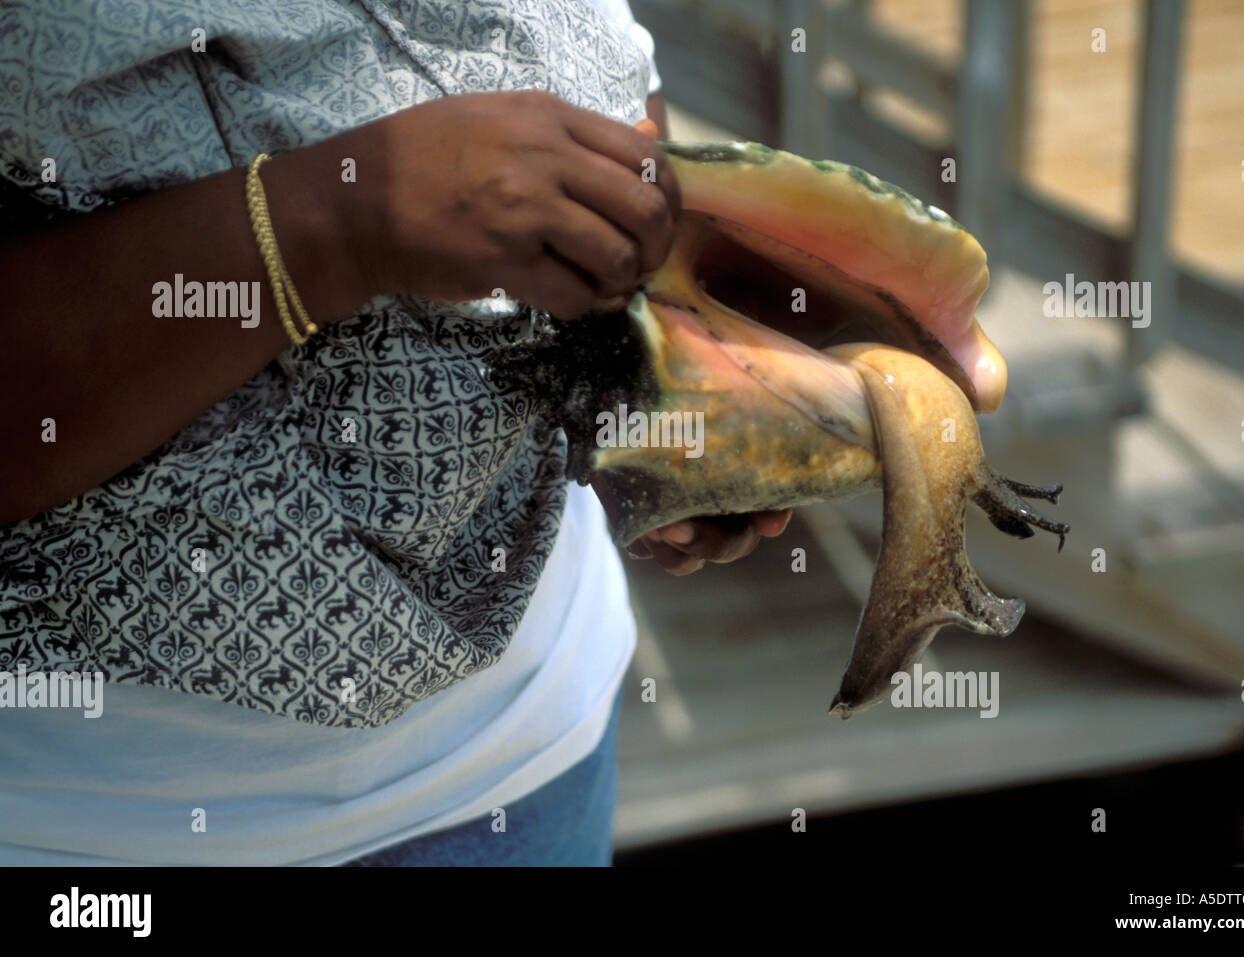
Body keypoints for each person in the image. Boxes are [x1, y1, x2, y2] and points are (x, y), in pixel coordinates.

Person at [0, 0, 789, 865]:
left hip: (526, 768)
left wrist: (634, 373)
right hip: (98, 838)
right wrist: (336, 221)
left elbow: (609, 63)